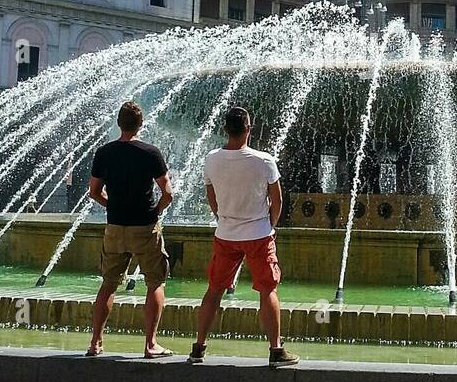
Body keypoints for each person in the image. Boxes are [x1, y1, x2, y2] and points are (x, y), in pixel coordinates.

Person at [190, 106, 298, 368]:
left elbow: (211, 195)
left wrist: (222, 218)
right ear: (249, 129)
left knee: (214, 290)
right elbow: (277, 199)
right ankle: (275, 349)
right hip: (259, 234)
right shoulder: (263, 160)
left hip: (226, 234)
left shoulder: (212, 159)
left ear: (225, 129)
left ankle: (198, 348)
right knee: (267, 289)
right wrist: (269, 224)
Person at [86, 100, 174, 359]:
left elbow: (93, 192)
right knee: (155, 282)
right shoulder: (150, 153)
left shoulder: (104, 153)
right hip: (144, 228)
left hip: (114, 227)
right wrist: (155, 211)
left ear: (118, 123)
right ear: (141, 124)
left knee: (108, 284)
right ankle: (150, 344)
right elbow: (167, 193)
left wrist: (110, 205)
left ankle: (95, 343)